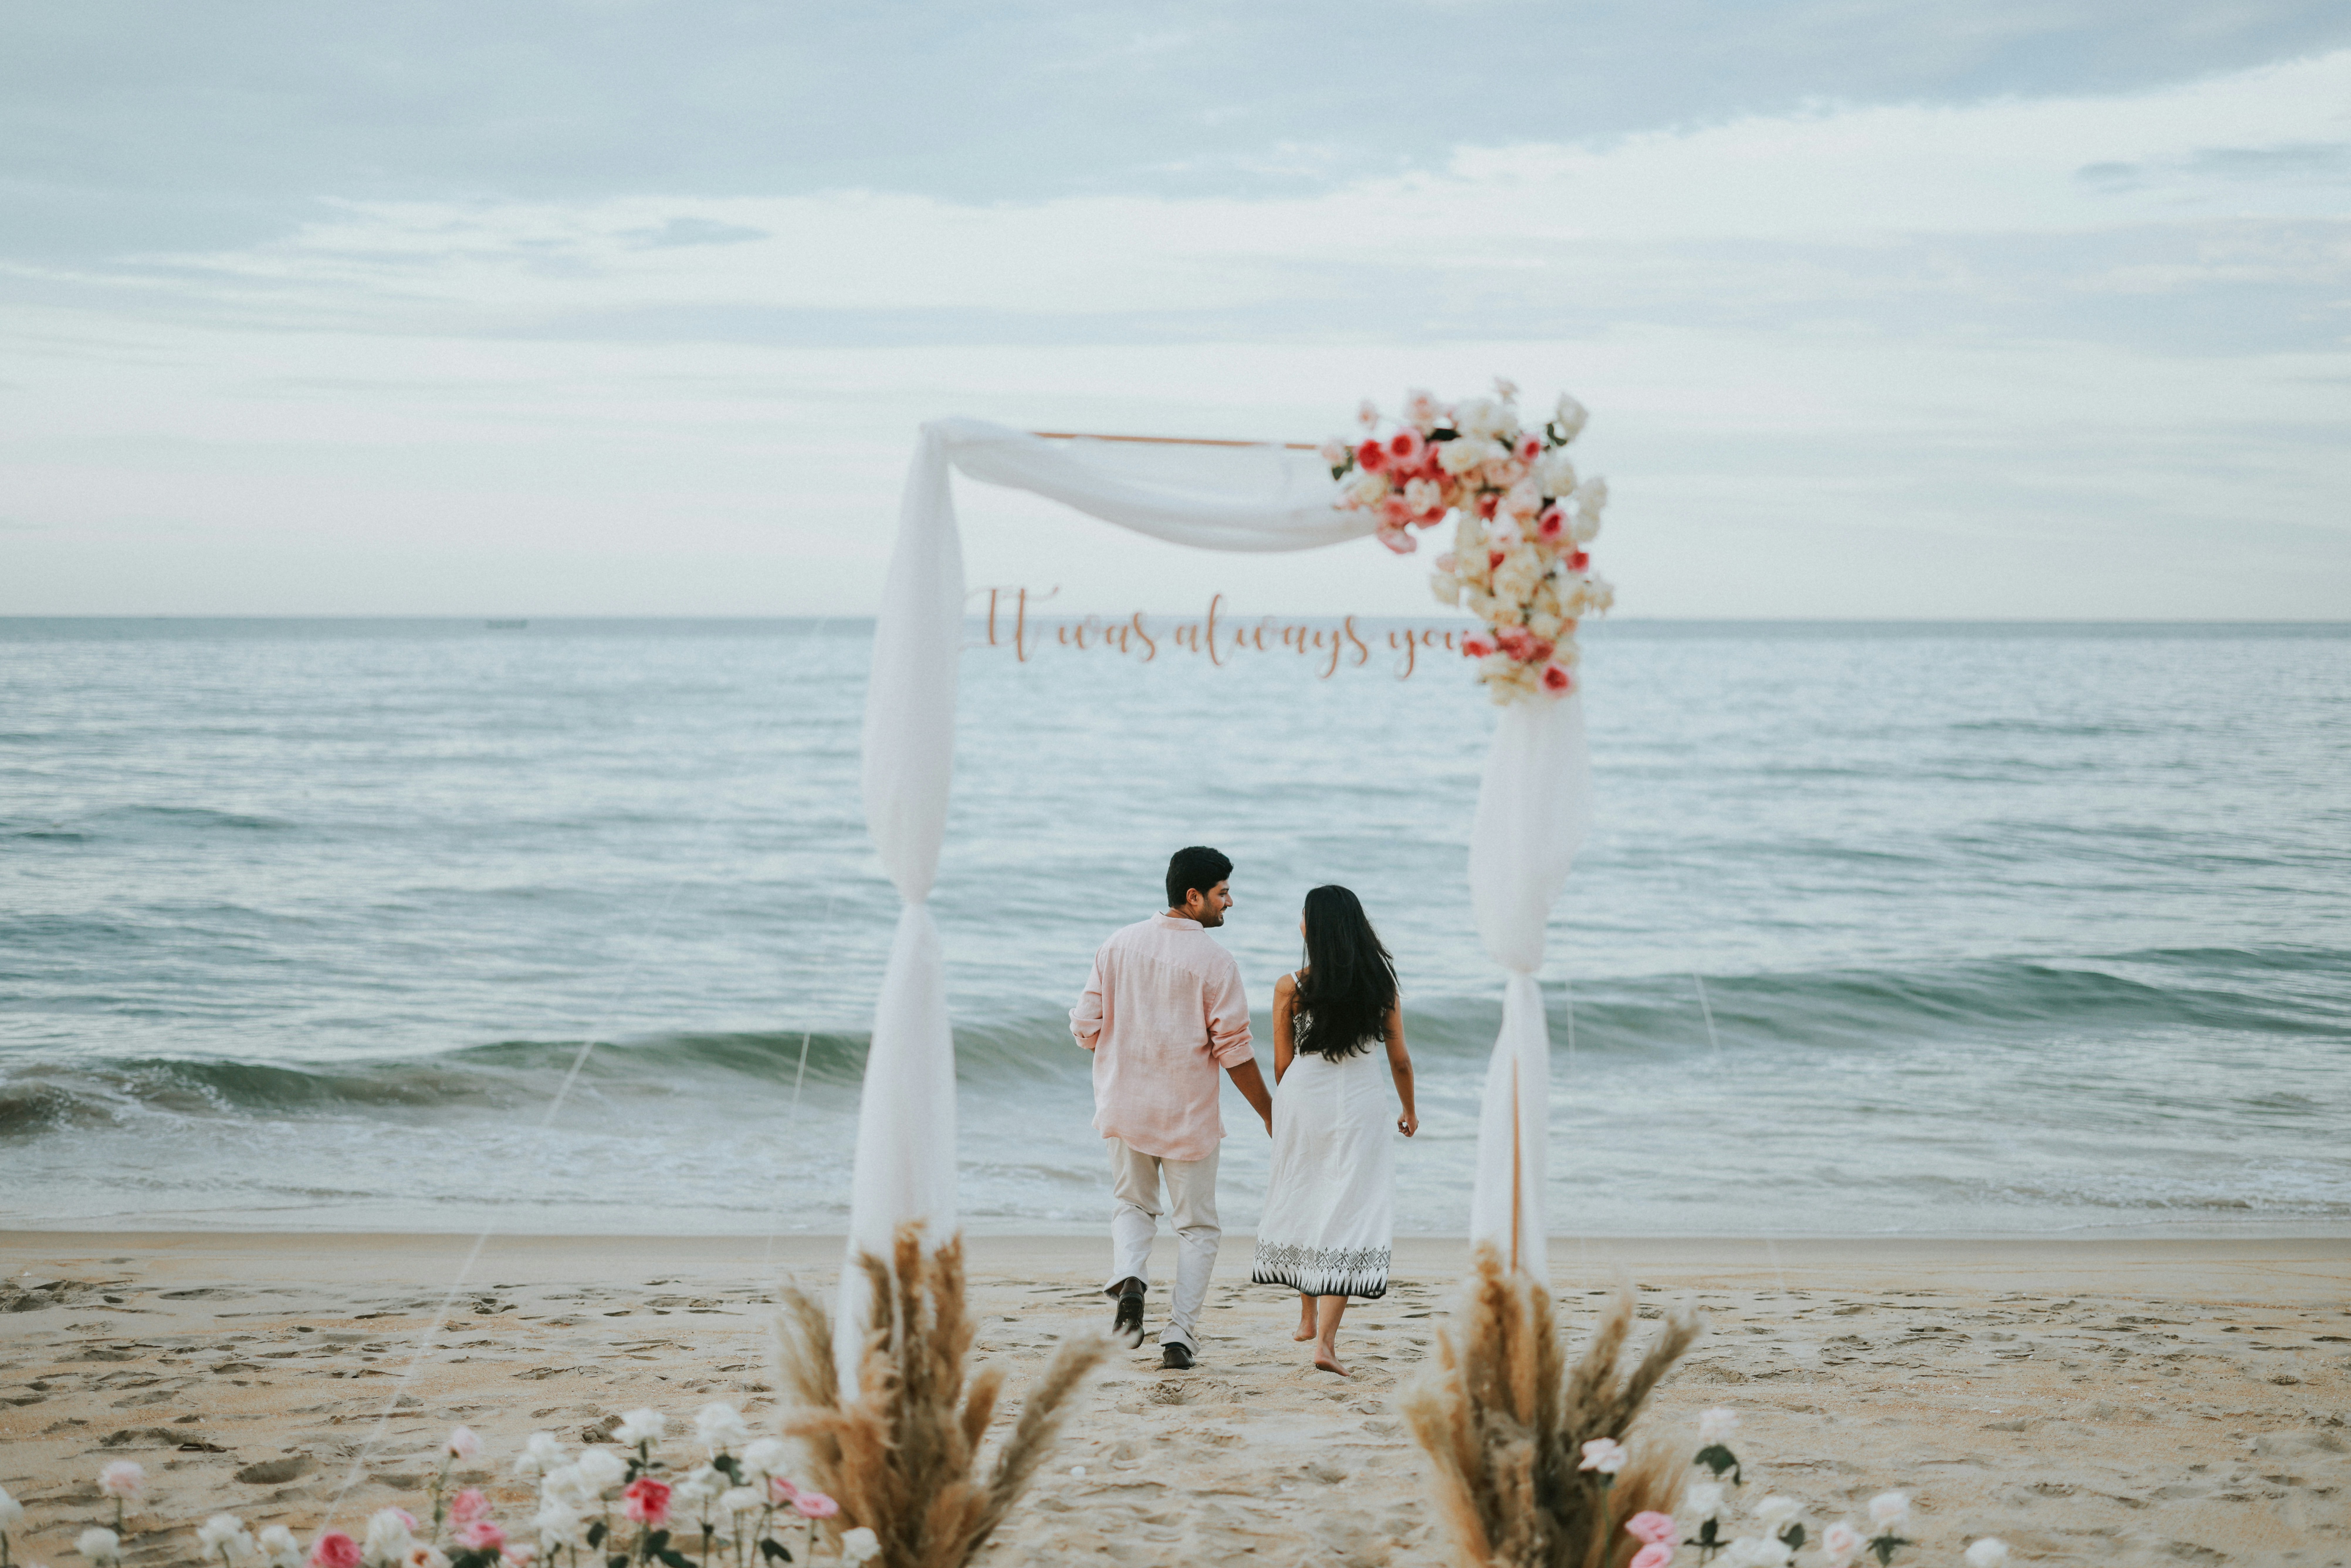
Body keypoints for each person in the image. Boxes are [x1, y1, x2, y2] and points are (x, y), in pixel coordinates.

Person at [1071, 845, 1275, 1370]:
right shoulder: (1216, 962)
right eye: (1223, 893)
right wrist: (1272, 1114)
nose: (1231, 902)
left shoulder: (1117, 945)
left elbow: (1085, 1027)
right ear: (1194, 897)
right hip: (1187, 1117)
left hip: (1127, 1107)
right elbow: (1234, 1049)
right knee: (1197, 1227)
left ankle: (1132, 1280)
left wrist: (1129, 1050)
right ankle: (1179, 1335)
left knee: (1133, 1206)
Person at [1250, 884, 1417, 1376]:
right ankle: (1325, 1341)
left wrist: (1293, 1109)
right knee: (1349, 1209)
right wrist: (1409, 1109)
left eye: (1304, 918)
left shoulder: (1291, 987)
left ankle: (1305, 1313)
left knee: (1305, 1192)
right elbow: (1400, 1059)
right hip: (1362, 1103)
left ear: (1315, 928)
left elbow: (1282, 1066)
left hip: (1302, 1098)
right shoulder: (1381, 987)